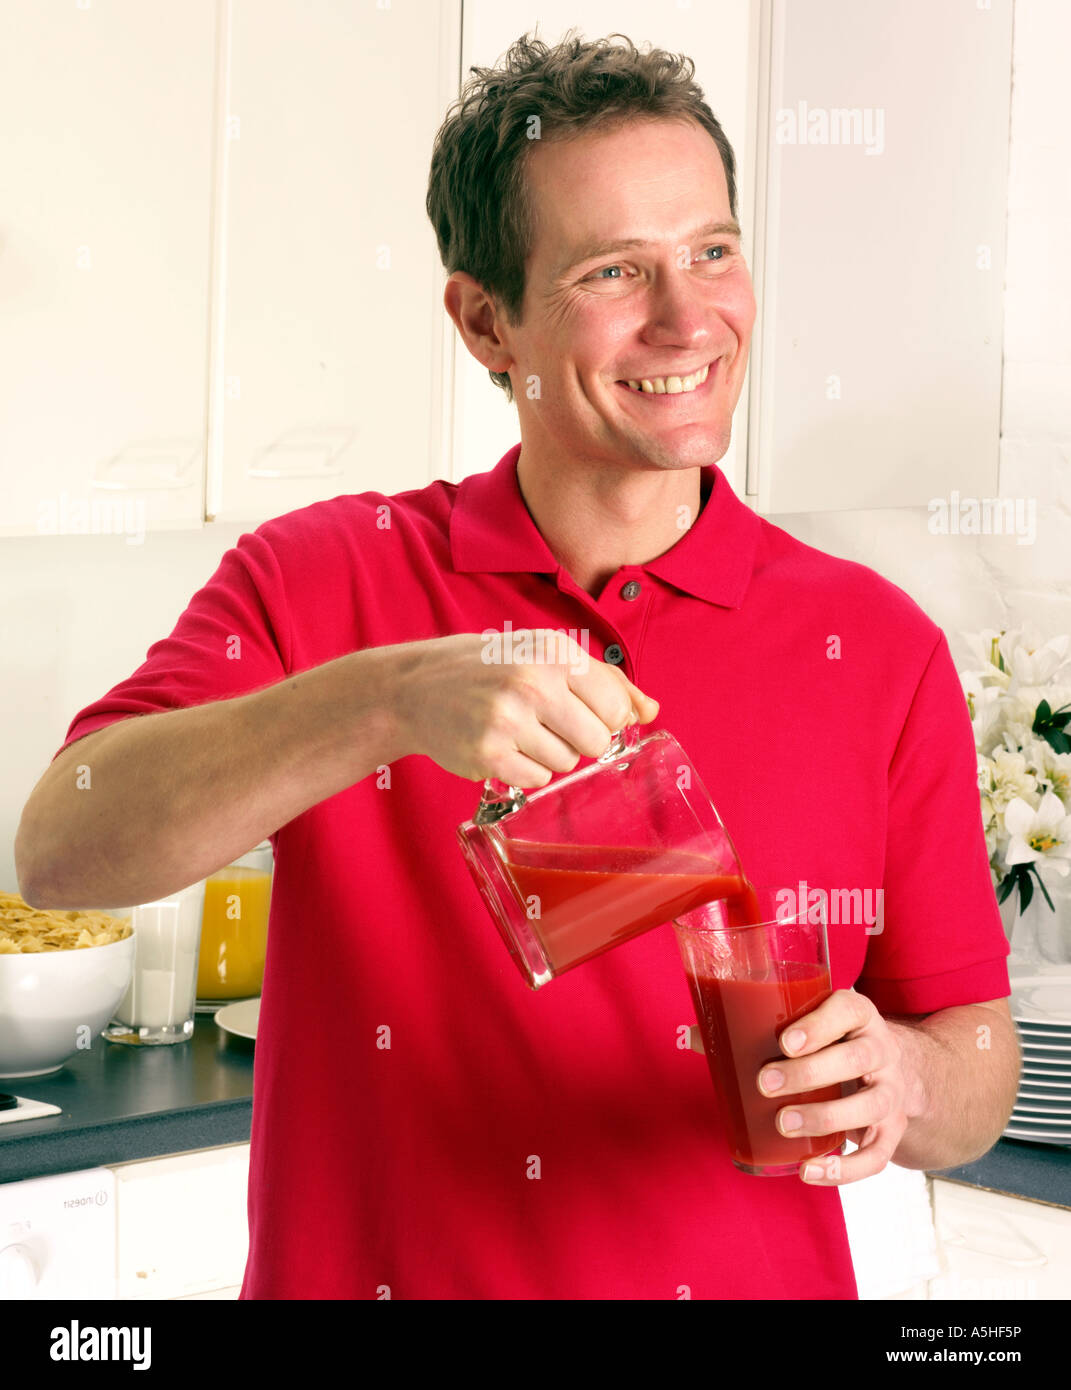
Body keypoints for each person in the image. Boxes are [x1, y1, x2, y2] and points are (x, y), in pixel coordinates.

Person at [16, 31, 1017, 1300]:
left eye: (712, 250)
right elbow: (65, 845)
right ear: (486, 321)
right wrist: (384, 700)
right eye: (615, 269)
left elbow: (973, 1050)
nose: (687, 315)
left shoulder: (876, 643)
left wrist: (912, 1080)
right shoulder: (328, 576)